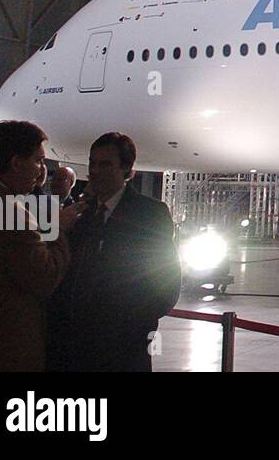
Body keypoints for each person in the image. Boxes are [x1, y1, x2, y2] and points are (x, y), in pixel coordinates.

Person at [47, 132, 182, 372]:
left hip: (123, 349)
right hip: (75, 350)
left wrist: (131, 326)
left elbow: (166, 284)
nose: (95, 171)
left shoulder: (149, 214)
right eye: (92, 163)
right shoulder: (80, 214)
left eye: (105, 164)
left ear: (127, 170)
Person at [0, 121, 81, 371]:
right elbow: (44, 276)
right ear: (15, 162)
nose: (42, 171)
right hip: (1, 349)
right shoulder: (5, 211)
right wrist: (58, 229)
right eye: (38, 160)